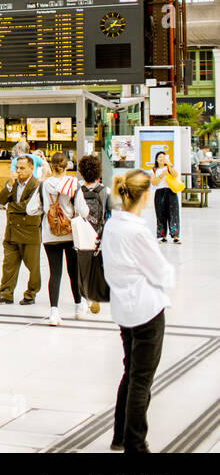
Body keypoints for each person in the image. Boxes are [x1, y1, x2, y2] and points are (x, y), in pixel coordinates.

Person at [103, 169, 176, 454]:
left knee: (130, 371)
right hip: (146, 309)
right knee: (142, 379)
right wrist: (168, 276)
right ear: (146, 195)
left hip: (124, 308)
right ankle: (135, 442)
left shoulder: (113, 225)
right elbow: (160, 273)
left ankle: (119, 435)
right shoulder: (136, 231)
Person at [40, 152, 88, 325]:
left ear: (51, 166)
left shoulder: (44, 185)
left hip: (49, 234)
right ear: (67, 166)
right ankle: (78, 305)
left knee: (55, 272)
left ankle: (54, 312)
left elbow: (33, 209)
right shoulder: (73, 183)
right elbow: (83, 210)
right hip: (69, 234)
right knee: (73, 271)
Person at [0, 154, 43, 305]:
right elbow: (0, 199)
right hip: (12, 231)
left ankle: (31, 294)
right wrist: (8, 185)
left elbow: (28, 206)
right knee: (9, 264)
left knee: (33, 267)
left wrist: (9, 207)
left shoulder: (36, 185)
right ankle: (6, 293)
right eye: (17, 168)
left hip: (30, 231)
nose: (18, 171)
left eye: (22, 168)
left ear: (31, 169)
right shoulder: (13, 183)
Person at [75, 154, 109, 316]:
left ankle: (85, 297)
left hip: (81, 233)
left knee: (81, 267)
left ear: (81, 171)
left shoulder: (77, 190)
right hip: (98, 232)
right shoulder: (104, 191)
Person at [149, 151, 180, 244]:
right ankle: (162, 236)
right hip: (159, 193)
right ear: (156, 159)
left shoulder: (169, 167)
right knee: (160, 214)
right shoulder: (154, 170)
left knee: (173, 214)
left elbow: (175, 174)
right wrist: (162, 174)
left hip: (171, 192)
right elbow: (153, 182)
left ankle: (175, 236)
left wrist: (169, 163)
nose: (162, 159)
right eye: (159, 157)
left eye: (163, 157)